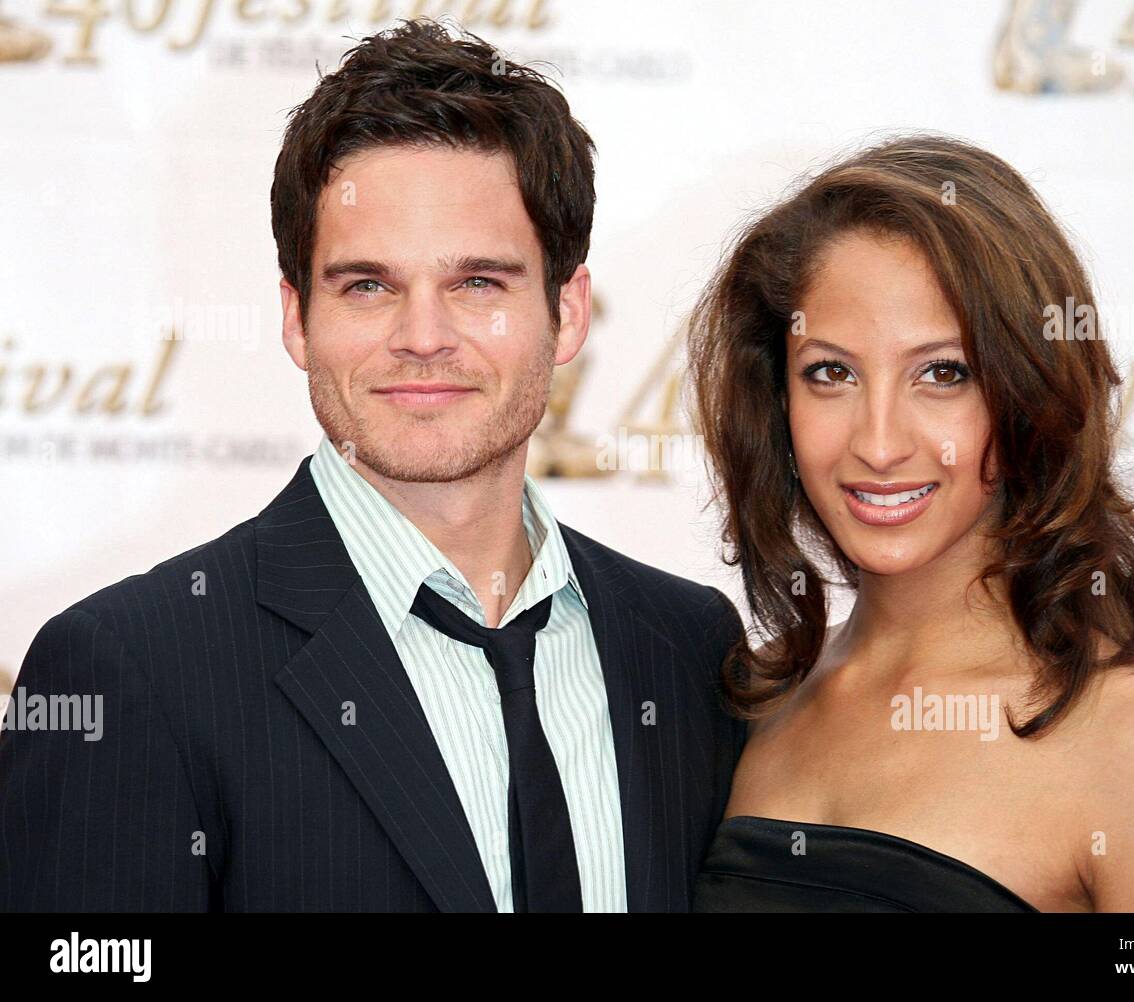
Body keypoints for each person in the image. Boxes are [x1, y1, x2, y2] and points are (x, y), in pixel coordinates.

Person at [0, 19, 744, 913]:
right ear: (294, 317)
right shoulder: (130, 670)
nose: (423, 337)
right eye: (368, 285)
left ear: (569, 312)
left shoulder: (689, 651)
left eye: (478, 283)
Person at [686, 134, 1134, 912]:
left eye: (943, 374)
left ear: (1026, 392)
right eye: (831, 373)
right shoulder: (746, 702)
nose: (879, 443)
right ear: (777, 400)